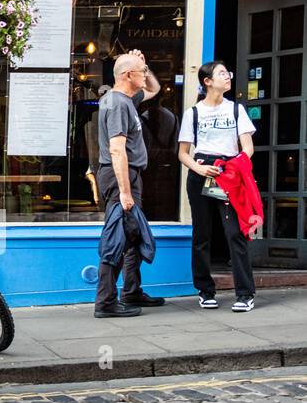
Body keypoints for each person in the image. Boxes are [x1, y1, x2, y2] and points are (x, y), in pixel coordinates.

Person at [179, 60, 259, 312]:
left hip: (229, 173)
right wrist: (199, 168)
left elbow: (248, 148)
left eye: (228, 73)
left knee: (234, 232)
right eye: (222, 74)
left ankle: (245, 293)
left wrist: (233, 167)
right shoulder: (193, 113)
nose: (228, 77)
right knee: (202, 234)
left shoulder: (236, 110)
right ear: (207, 81)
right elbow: (183, 153)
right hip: (201, 173)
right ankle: (205, 290)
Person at [95, 49, 166, 319]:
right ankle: (105, 302)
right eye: (141, 72)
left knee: (132, 236)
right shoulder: (116, 104)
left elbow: (154, 88)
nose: (145, 75)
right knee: (116, 238)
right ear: (127, 75)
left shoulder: (127, 100)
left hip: (130, 176)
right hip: (119, 177)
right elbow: (116, 150)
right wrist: (125, 191)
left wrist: (143, 63)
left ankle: (131, 291)